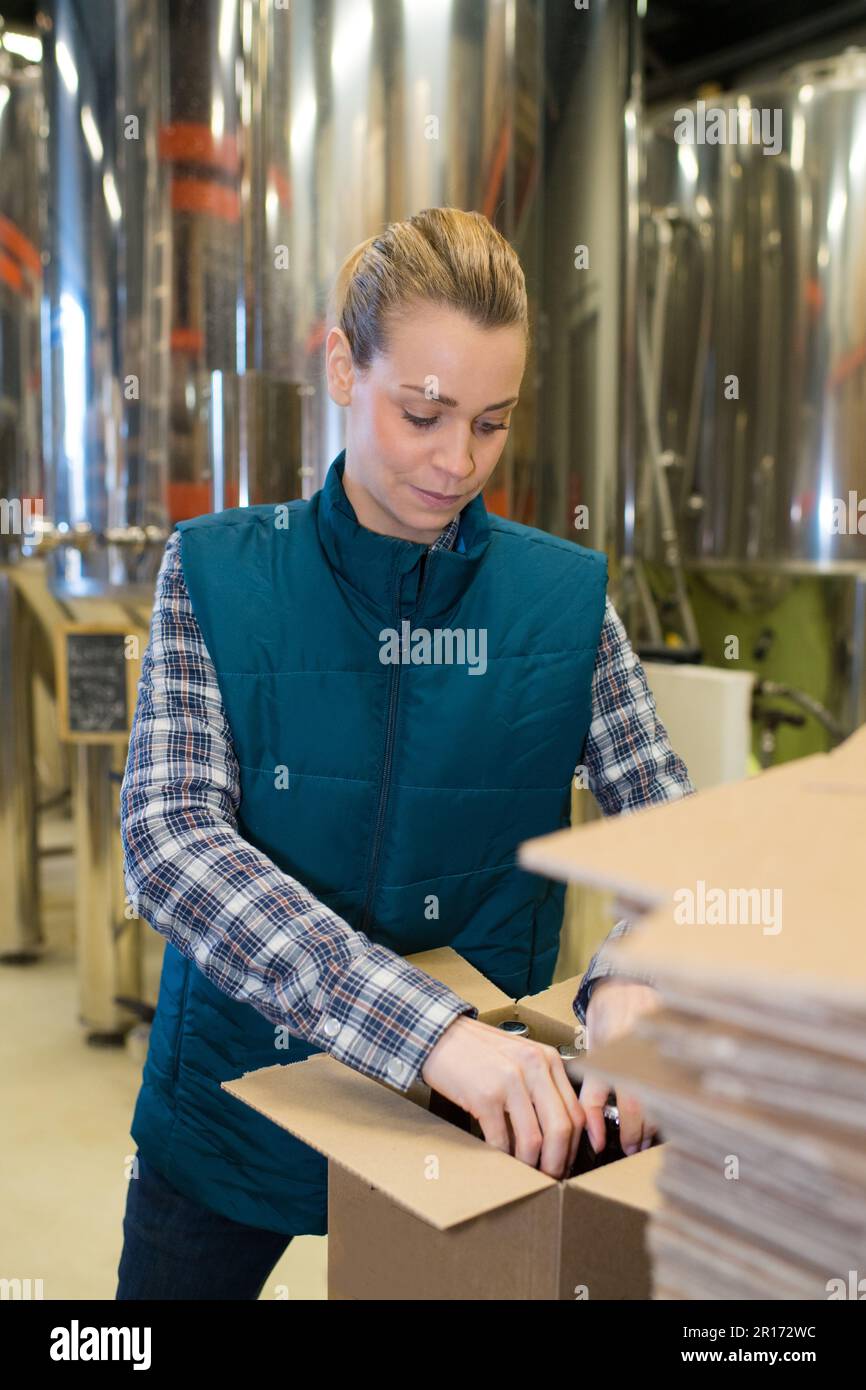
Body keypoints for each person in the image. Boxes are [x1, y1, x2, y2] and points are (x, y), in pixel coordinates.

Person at [116, 206, 694, 1300]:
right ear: (342, 364)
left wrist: (635, 977)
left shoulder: (560, 602)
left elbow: (667, 829)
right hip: (234, 1106)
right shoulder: (218, 574)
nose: (453, 461)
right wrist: (425, 1029)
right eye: (421, 411)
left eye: (490, 422)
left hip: (479, 1129)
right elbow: (169, 839)